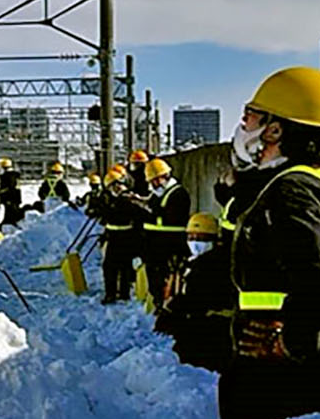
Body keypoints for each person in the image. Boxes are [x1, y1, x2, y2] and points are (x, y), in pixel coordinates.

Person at [220, 66, 320, 419]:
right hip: (307, 361)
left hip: (282, 374)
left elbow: (318, 277)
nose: (243, 125)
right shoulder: (314, 182)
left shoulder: (292, 190)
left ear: (275, 129)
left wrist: (292, 341)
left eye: (250, 116)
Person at [155, 212, 232, 371]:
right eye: (191, 237)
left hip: (212, 331)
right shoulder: (189, 263)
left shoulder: (217, 265)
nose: (196, 243)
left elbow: (199, 299)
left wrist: (174, 310)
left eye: (202, 238)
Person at [142, 158, 192, 312]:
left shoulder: (178, 194)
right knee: (154, 276)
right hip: (155, 243)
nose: (153, 185)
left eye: (155, 181)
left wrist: (148, 210)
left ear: (164, 177)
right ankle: (158, 302)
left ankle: (167, 306)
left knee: (167, 278)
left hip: (171, 243)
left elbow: (171, 217)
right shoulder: (158, 194)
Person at [99, 165, 148, 303]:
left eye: (117, 185)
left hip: (126, 236)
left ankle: (122, 293)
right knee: (112, 266)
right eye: (112, 187)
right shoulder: (109, 200)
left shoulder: (128, 199)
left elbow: (140, 216)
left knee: (122, 266)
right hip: (114, 235)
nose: (116, 189)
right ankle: (113, 293)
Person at [0, 159, 25, 228]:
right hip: (15, 198)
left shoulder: (8, 176)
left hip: (10, 198)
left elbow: (10, 188)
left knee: (11, 213)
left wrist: (5, 199)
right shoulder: (15, 175)